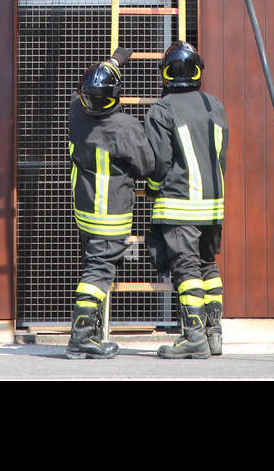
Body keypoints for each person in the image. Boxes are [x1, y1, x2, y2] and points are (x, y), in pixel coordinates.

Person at [66, 46, 155, 359]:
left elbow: (92, 84)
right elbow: (146, 167)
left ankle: (88, 333)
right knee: (98, 273)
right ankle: (81, 339)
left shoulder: (77, 111)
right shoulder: (126, 127)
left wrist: (114, 61)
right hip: (111, 216)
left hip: (83, 212)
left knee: (91, 265)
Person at [144, 41, 229, 358]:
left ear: (165, 74)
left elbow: (159, 163)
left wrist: (152, 187)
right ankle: (213, 335)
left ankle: (193, 337)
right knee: (208, 266)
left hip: (179, 206)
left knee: (187, 269)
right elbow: (220, 155)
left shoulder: (161, 110)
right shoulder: (214, 105)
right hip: (212, 207)